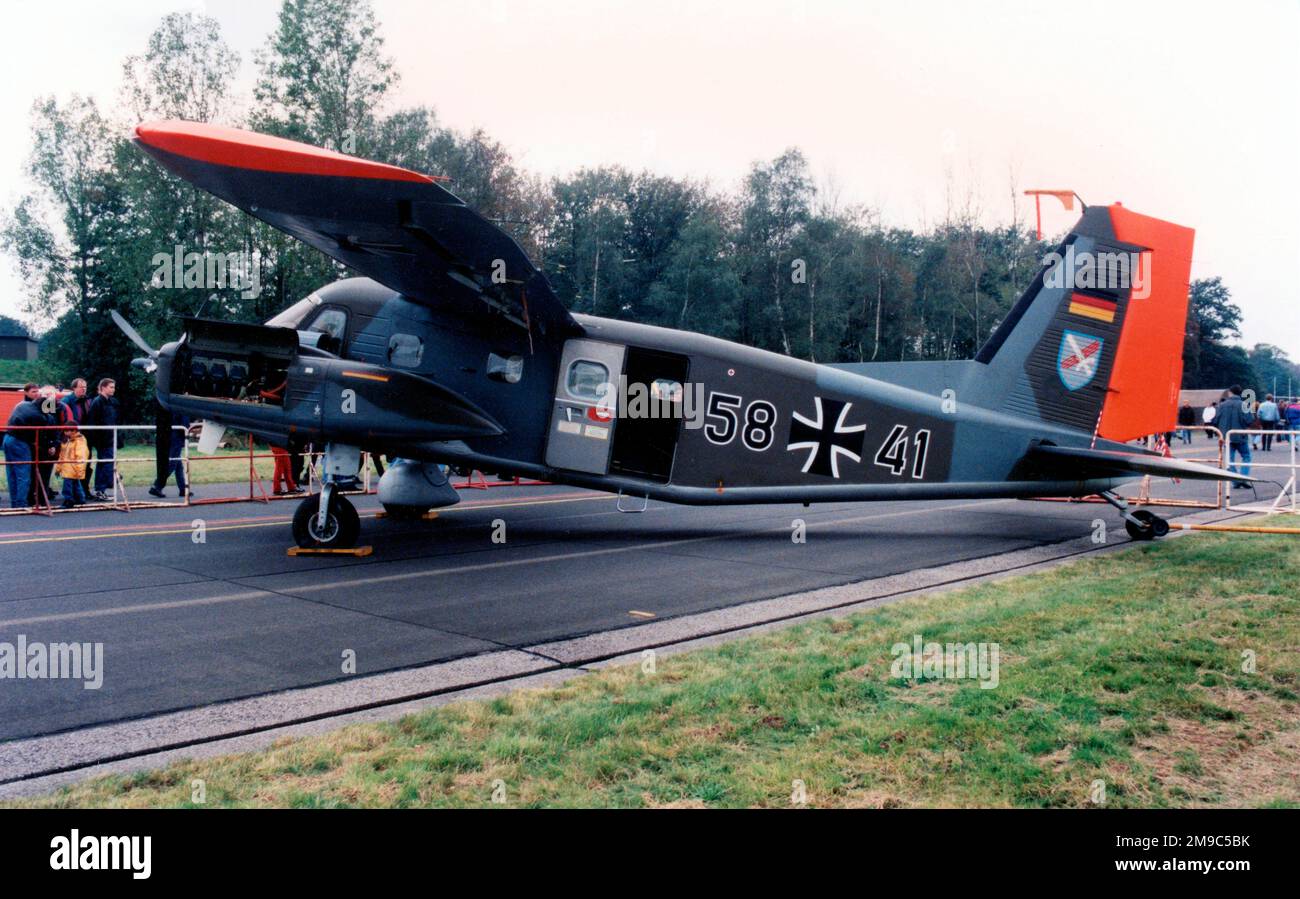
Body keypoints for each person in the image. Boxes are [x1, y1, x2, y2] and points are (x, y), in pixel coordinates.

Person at [3, 384, 43, 508]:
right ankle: (21, 504)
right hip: (19, 442)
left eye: (38, 392)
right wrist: (50, 402)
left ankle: (15, 503)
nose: (37, 394)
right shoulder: (36, 411)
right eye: (34, 391)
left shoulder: (21, 405)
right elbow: (49, 420)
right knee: (23, 474)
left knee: (12, 473)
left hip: (8, 438)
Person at [1213, 385, 1255, 489]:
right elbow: (1249, 420)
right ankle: (1243, 477)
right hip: (1241, 435)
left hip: (1226, 436)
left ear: (1230, 392)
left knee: (1229, 459)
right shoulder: (1244, 405)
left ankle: (1236, 480)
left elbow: (1215, 420)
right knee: (1246, 457)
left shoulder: (1222, 405)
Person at [85, 378, 120, 501]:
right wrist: (97, 440)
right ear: (103, 387)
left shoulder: (112, 402)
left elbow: (114, 420)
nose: (113, 389)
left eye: (114, 387)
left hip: (111, 438)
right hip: (103, 440)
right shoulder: (97, 402)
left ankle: (101, 489)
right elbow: (93, 422)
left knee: (104, 463)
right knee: (106, 464)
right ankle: (103, 486)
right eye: (111, 387)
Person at [59, 378, 94, 497]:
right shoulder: (66, 400)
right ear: (74, 388)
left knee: (86, 463)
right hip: (72, 437)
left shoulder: (89, 400)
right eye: (81, 387)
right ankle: (71, 493)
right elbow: (57, 414)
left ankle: (84, 490)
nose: (83, 389)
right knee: (71, 464)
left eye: (85, 387)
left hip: (86, 437)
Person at [148, 410, 191, 498]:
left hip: (168, 434)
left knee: (178, 464)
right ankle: (157, 485)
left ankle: (183, 488)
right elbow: (184, 424)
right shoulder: (182, 406)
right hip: (176, 437)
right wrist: (186, 435)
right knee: (172, 463)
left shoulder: (169, 405)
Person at [55, 422, 89, 508]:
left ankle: (69, 500)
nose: (65, 433)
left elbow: (81, 455)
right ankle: (80, 499)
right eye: (65, 431)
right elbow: (62, 456)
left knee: (68, 486)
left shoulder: (79, 440)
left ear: (74, 431)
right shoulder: (66, 441)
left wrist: (80, 469)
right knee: (75, 484)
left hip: (73, 467)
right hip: (67, 467)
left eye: (67, 431)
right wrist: (58, 468)